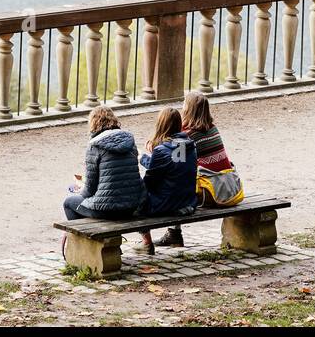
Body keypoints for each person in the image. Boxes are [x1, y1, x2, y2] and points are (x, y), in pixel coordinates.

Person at [156, 90, 244, 247]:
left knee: (173, 182)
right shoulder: (213, 128)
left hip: (210, 192)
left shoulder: (186, 135)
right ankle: (173, 233)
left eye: (184, 104)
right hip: (229, 187)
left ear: (188, 109)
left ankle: (174, 233)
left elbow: (175, 163)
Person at [62, 107, 145, 224]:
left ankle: (85, 239)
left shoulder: (94, 146)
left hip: (108, 210)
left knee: (69, 203)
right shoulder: (130, 143)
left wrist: (80, 190)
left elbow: (89, 191)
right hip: (132, 206)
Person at [135, 108, 197, 255]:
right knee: (175, 183)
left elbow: (150, 182)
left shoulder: (162, 151)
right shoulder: (187, 146)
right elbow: (175, 166)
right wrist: (153, 155)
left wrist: (142, 157)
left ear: (161, 125)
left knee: (136, 195)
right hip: (187, 202)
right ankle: (175, 233)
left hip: (166, 205)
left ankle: (146, 243)